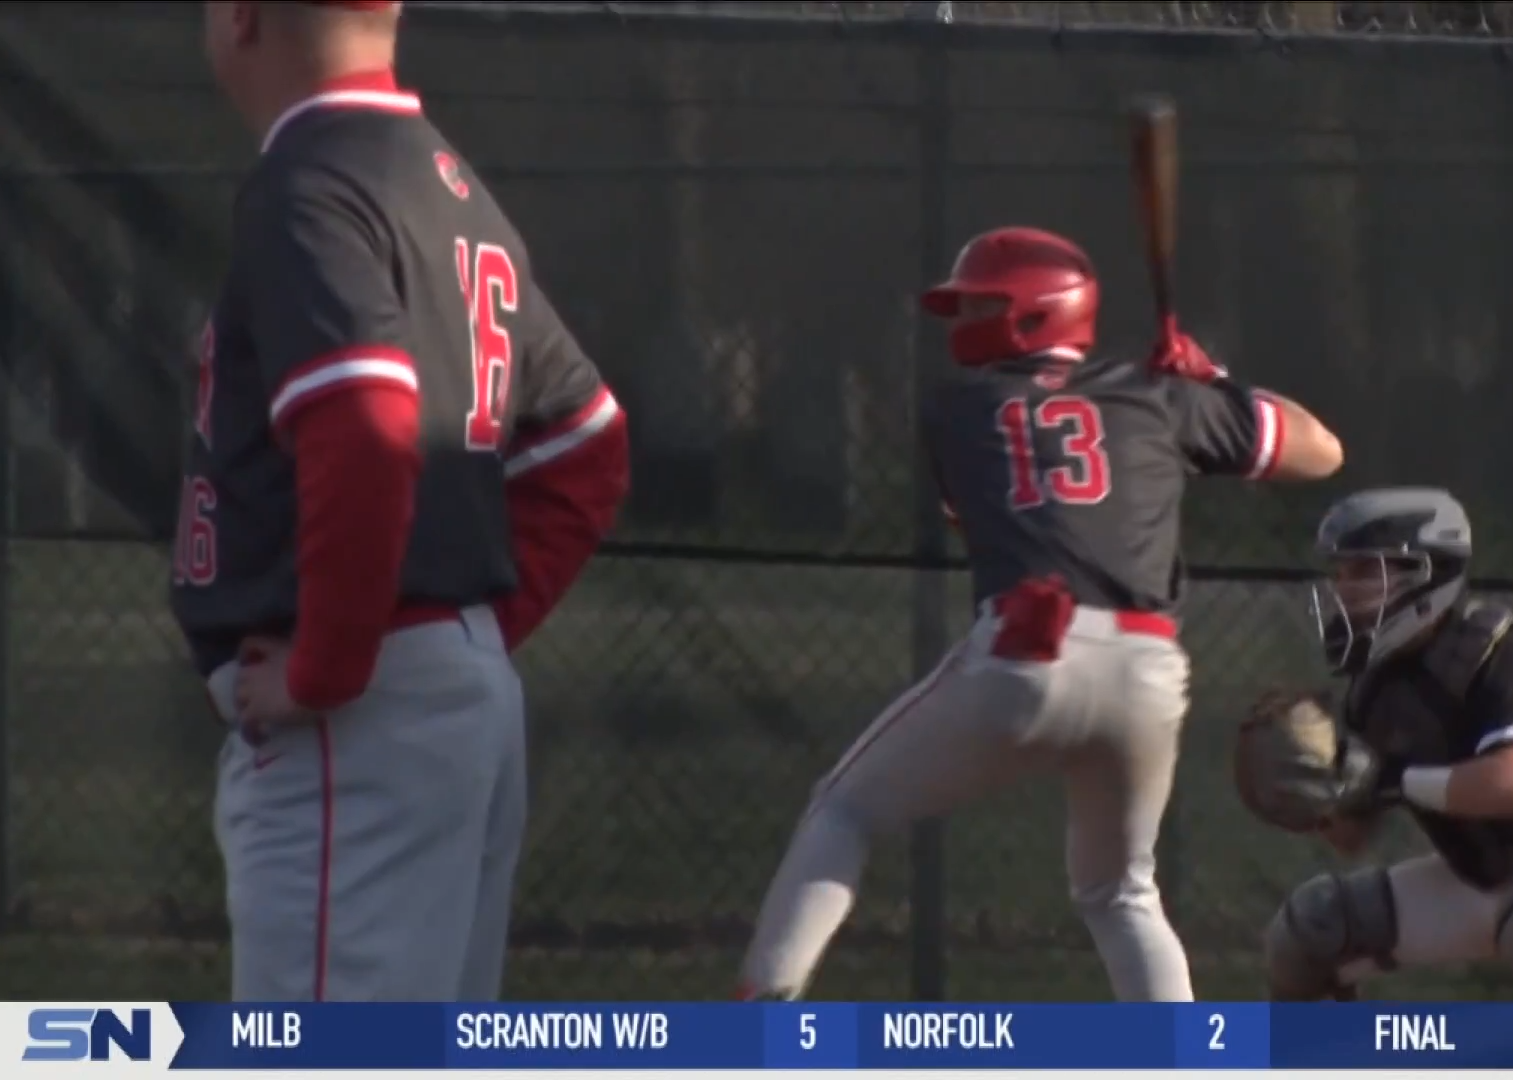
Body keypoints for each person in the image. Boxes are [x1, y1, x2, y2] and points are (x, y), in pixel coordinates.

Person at [735, 225, 1344, 1001]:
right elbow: (1321, 451)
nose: (964, 321)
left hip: (1028, 654)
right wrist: (1210, 381)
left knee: (843, 808)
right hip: (1149, 673)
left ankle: (759, 1023)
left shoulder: (958, 409)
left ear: (1033, 313)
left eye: (982, 305)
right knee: (1123, 892)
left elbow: (988, 510)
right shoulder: (1157, 397)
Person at [174, 0, 630, 1000]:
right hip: (436, 697)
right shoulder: (444, 183)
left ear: (242, 18)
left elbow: (368, 425)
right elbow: (587, 442)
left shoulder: (311, 180)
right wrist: (464, 636)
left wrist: (333, 665)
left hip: (354, 721)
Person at [1241, 487, 1513, 1001]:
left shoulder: (1500, 659)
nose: (1343, 590)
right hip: (1489, 881)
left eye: (1363, 572)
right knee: (1310, 931)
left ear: (1425, 574)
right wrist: (1320, 795)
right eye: (1340, 574)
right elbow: (1352, 837)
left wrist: (1391, 778)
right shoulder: (1374, 689)